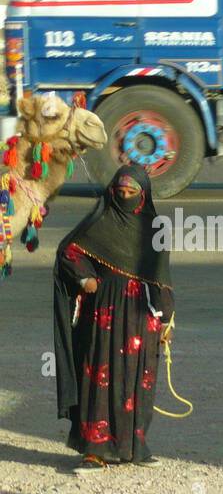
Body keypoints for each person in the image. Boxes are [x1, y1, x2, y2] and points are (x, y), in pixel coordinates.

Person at [54, 165, 174, 473]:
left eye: (131, 193)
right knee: (100, 376)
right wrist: (85, 279)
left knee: (137, 379)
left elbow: (162, 279)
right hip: (104, 312)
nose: (124, 197)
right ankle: (94, 450)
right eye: (119, 192)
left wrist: (167, 321)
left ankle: (133, 446)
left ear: (143, 195)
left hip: (142, 316)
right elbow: (68, 251)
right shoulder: (101, 221)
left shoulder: (156, 228)